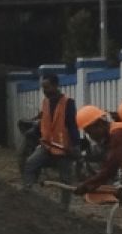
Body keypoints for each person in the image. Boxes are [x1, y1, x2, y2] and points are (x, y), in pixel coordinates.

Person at [74, 106, 122, 231]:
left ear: (99, 124)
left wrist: (88, 185)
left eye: (90, 132)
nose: (91, 137)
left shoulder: (119, 134)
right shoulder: (114, 139)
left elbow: (110, 168)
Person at [21, 73, 79, 209]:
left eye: (47, 87)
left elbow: (72, 126)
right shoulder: (45, 102)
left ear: (55, 86)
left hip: (63, 147)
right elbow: (44, 121)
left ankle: (64, 207)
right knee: (30, 164)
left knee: (65, 179)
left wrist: (75, 145)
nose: (44, 90)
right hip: (46, 145)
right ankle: (28, 195)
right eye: (43, 87)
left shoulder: (68, 103)